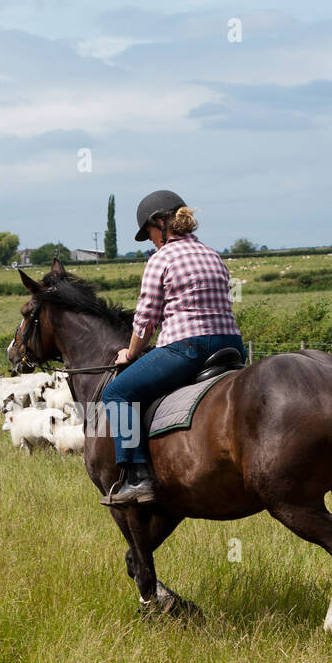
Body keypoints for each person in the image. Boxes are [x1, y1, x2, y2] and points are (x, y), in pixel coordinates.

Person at [99, 190, 245, 506]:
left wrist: (131, 353)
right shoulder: (212, 254)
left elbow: (147, 319)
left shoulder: (161, 259)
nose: (150, 239)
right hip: (231, 345)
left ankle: (137, 479)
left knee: (117, 394)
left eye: (149, 232)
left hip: (188, 347)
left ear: (161, 223)